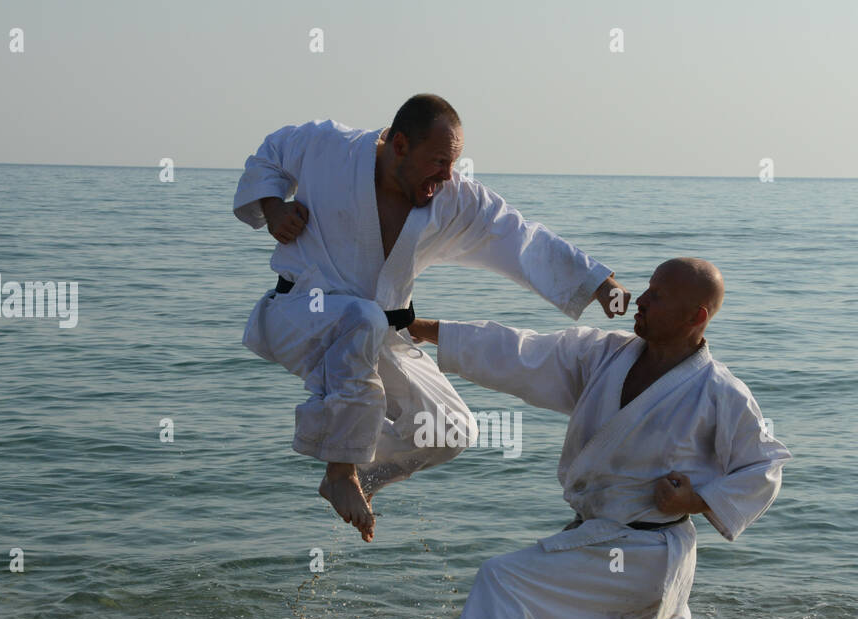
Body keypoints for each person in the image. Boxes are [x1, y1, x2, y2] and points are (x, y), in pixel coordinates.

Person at [407, 257, 842, 619]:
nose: (641, 299)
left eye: (657, 296)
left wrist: (696, 499)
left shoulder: (719, 392)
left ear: (695, 317)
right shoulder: (605, 357)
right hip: (607, 540)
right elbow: (521, 351)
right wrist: (421, 328)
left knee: (507, 584)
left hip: (646, 549)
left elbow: (765, 467)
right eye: (648, 288)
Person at [234, 94, 629, 541]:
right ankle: (341, 467)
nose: (447, 176)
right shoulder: (327, 145)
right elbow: (269, 154)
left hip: (370, 334)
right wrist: (274, 209)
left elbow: (520, 236)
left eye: (454, 163)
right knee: (360, 317)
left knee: (450, 429)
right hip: (298, 316)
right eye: (439, 162)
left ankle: (360, 479)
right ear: (399, 145)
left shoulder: (452, 199)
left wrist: (598, 283)